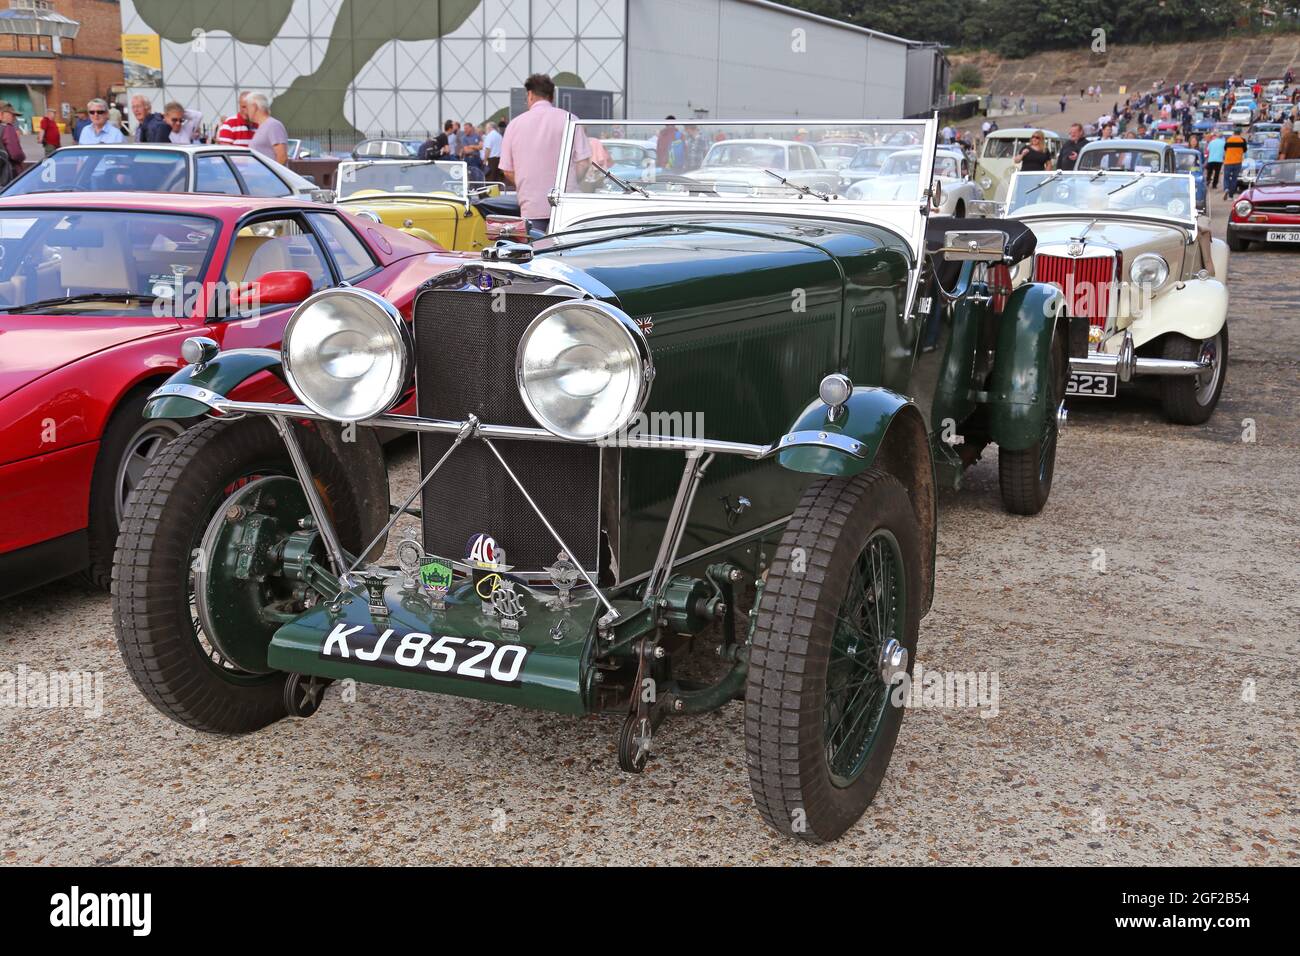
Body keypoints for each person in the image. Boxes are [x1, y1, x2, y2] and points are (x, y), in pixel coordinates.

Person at [498, 72, 591, 234]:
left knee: (535, 252)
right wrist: (570, 181)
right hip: (566, 202)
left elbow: (507, 169)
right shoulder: (570, 119)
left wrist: (524, 182)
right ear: (552, 96)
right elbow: (584, 162)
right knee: (567, 252)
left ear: (530, 95)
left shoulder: (514, 125)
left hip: (531, 204)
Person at [245, 92, 288, 165]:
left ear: (254, 107)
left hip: (267, 175)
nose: (246, 111)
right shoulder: (262, 127)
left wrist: (272, 176)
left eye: (247, 108)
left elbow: (282, 156)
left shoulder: (273, 125)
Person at [0, 101, 25, 188]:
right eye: (11, 114)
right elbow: (16, 154)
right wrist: (22, 157)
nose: (14, 118)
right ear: (1, 114)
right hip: (8, 175)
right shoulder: (7, 128)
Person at [1221, 129, 1247, 198]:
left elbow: (1225, 149)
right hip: (1238, 162)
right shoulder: (1243, 140)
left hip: (1228, 161)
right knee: (1234, 178)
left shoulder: (1229, 139)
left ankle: (1226, 188)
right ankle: (1231, 195)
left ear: (1234, 133)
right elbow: (1245, 150)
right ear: (1240, 133)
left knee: (1226, 177)